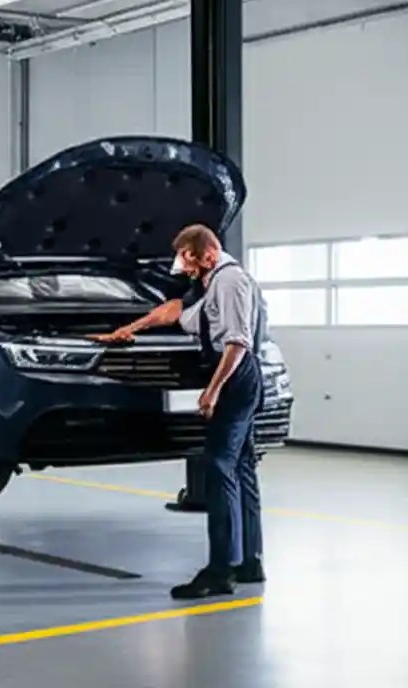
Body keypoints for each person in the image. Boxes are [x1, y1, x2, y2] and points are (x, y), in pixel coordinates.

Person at [90, 224, 267, 599]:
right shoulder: (210, 281)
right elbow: (174, 310)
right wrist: (129, 328)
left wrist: (212, 390)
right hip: (236, 377)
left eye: (189, 263)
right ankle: (250, 562)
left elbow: (237, 343)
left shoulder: (231, 281)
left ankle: (221, 571)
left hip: (234, 376)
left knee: (219, 466)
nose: (185, 272)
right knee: (242, 466)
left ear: (208, 254)